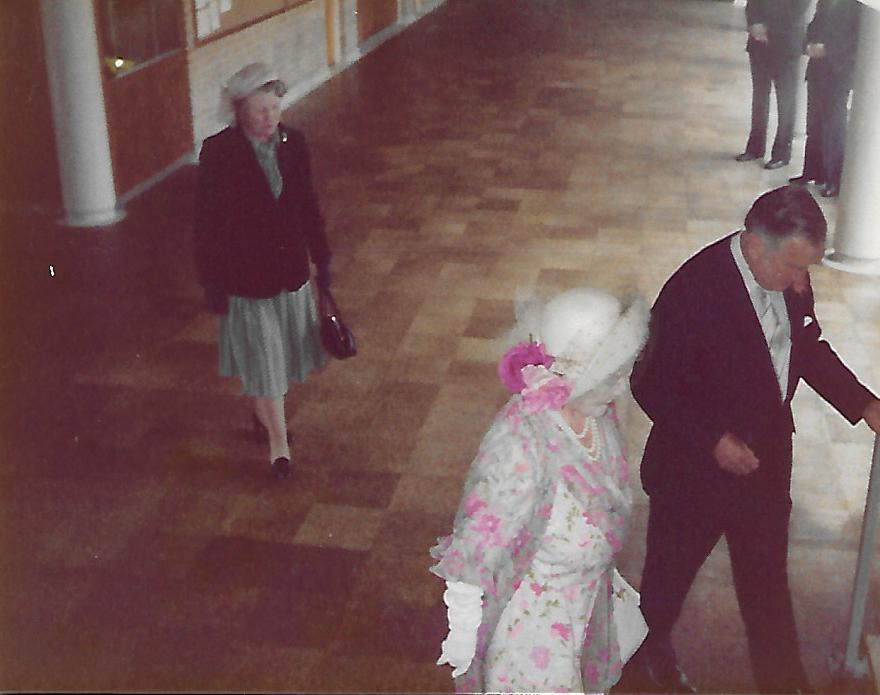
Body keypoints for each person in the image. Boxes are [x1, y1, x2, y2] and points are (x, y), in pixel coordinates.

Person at [629, 185, 880, 693]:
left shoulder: (789, 274)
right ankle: (638, 670)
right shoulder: (693, 290)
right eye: (793, 267)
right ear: (754, 244)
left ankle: (784, 684)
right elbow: (650, 382)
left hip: (766, 464)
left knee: (766, 586)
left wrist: (863, 403)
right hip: (692, 477)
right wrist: (713, 440)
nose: (801, 282)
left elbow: (806, 344)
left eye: (807, 268)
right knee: (663, 590)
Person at [430, 287, 650, 694]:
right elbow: (475, 550)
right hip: (535, 643)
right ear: (565, 373)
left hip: (586, 614)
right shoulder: (521, 447)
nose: (621, 387)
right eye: (610, 375)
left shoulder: (596, 415)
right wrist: (462, 633)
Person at [192, 62, 332, 480]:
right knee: (267, 358)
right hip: (245, 277)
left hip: (289, 271)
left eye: (275, 107)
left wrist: (322, 257)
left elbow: (307, 203)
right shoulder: (219, 152)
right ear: (239, 111)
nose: (270, 118)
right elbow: (206, 223)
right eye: (260, 111)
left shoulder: (294, 142)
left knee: (277, 355)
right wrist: (212, 281)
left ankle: (262, 414)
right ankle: (279, 446)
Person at [789, 0, 862, 198]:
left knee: (833, 128)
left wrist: (827, 50)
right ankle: (812, 171)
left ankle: (833, 180)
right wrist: (808, 44)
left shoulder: (857, 6)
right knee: (814, 124)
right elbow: (814, 24)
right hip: (817, 70)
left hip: (839, 72)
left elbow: (856, 40)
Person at [736, 0, 812, 170]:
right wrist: (754, 24)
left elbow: (798, 9)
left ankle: (782, 153)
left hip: (786, 44)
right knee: (759, 98)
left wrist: (767, 29)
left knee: (786, 102)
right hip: (759, 43)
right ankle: (755, 147)